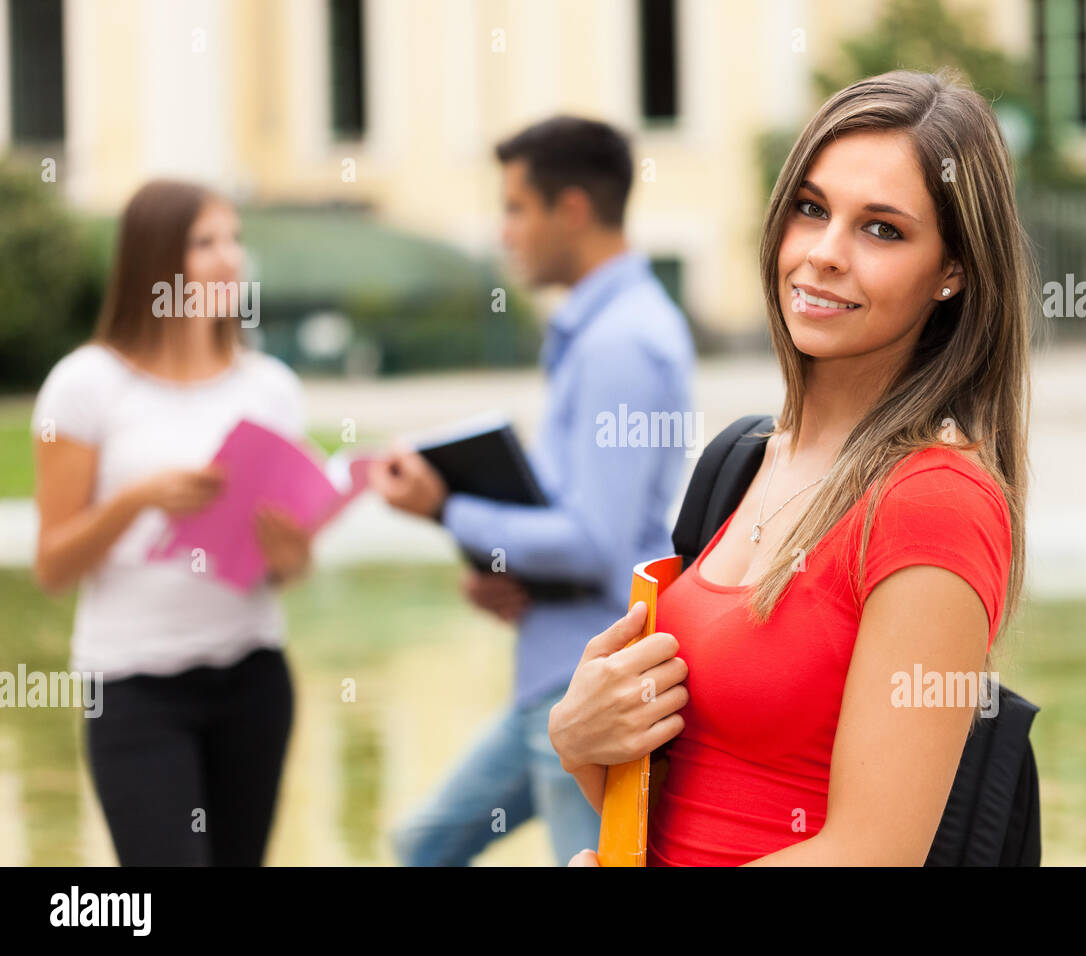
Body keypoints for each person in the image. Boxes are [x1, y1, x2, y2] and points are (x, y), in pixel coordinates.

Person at [548, 68, 1034, 865]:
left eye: (883, 229)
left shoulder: (933, 500)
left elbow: (872, 854)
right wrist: (576, 740)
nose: (824, 254)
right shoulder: (741, 463)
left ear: (954, 272)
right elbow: (697, 800)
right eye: (811, 209)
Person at [371, 116, 695, 865]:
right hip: (557, 674)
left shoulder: (621, 342)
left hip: (588, 688)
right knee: (421, 848)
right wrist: (499, 565)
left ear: (572, 210)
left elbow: (592, 542)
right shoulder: (602, 329)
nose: (505, 230)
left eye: (516, 207)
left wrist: (444, 507)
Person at [31, 179, 313, 866]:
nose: (228, 259)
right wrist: (138, 500)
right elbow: (52, 567)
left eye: (234, 240)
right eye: (204, 242)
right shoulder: (86, 384)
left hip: (254, 680)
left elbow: (293, 569)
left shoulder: (270, 387)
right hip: (134, 691)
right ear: (154, 260)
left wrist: (286, 550)